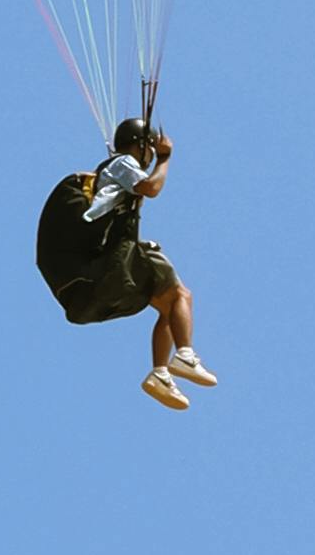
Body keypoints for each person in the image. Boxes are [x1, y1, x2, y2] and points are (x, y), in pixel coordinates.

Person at [33, 113, 213, 411]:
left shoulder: (114, 173)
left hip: (96, 281)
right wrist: (165, 159)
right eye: (149, 148)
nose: (151, 154)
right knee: (182, 295)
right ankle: (185, 354)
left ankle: (160, 374)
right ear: (140, 145)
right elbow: (151, 188)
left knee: (170, 306)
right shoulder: (122, 164)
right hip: (109, 264)